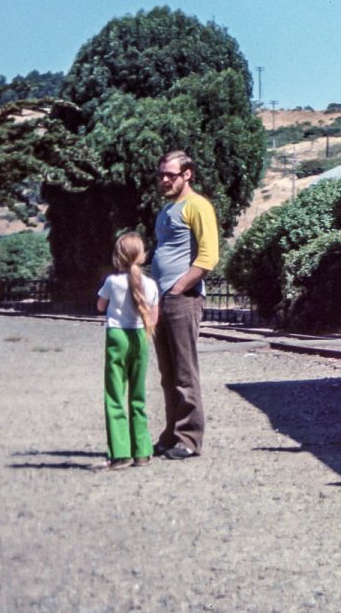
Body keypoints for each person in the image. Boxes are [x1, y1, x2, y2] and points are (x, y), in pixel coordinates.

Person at [149, 150, 219, 460]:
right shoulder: (166, 210)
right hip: (161, 301)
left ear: (187, 174)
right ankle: (171, 434)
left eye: (171, 175)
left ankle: (189, 439)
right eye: (161, 174)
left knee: (184, 372)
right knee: (168, 372)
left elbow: (208, 257)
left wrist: (177, 289)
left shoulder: (198, 206)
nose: (164, 180)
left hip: (182, 300)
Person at [96, 232, 160, 470]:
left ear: (118, 257)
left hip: (117, 335)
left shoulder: (112, 282)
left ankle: (120, 453)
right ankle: (142, 451)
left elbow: (100, 305)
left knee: (114, 394)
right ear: (142, 256)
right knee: (138, 394)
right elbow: (154, 315)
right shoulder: (151, 284)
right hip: (140, 337)